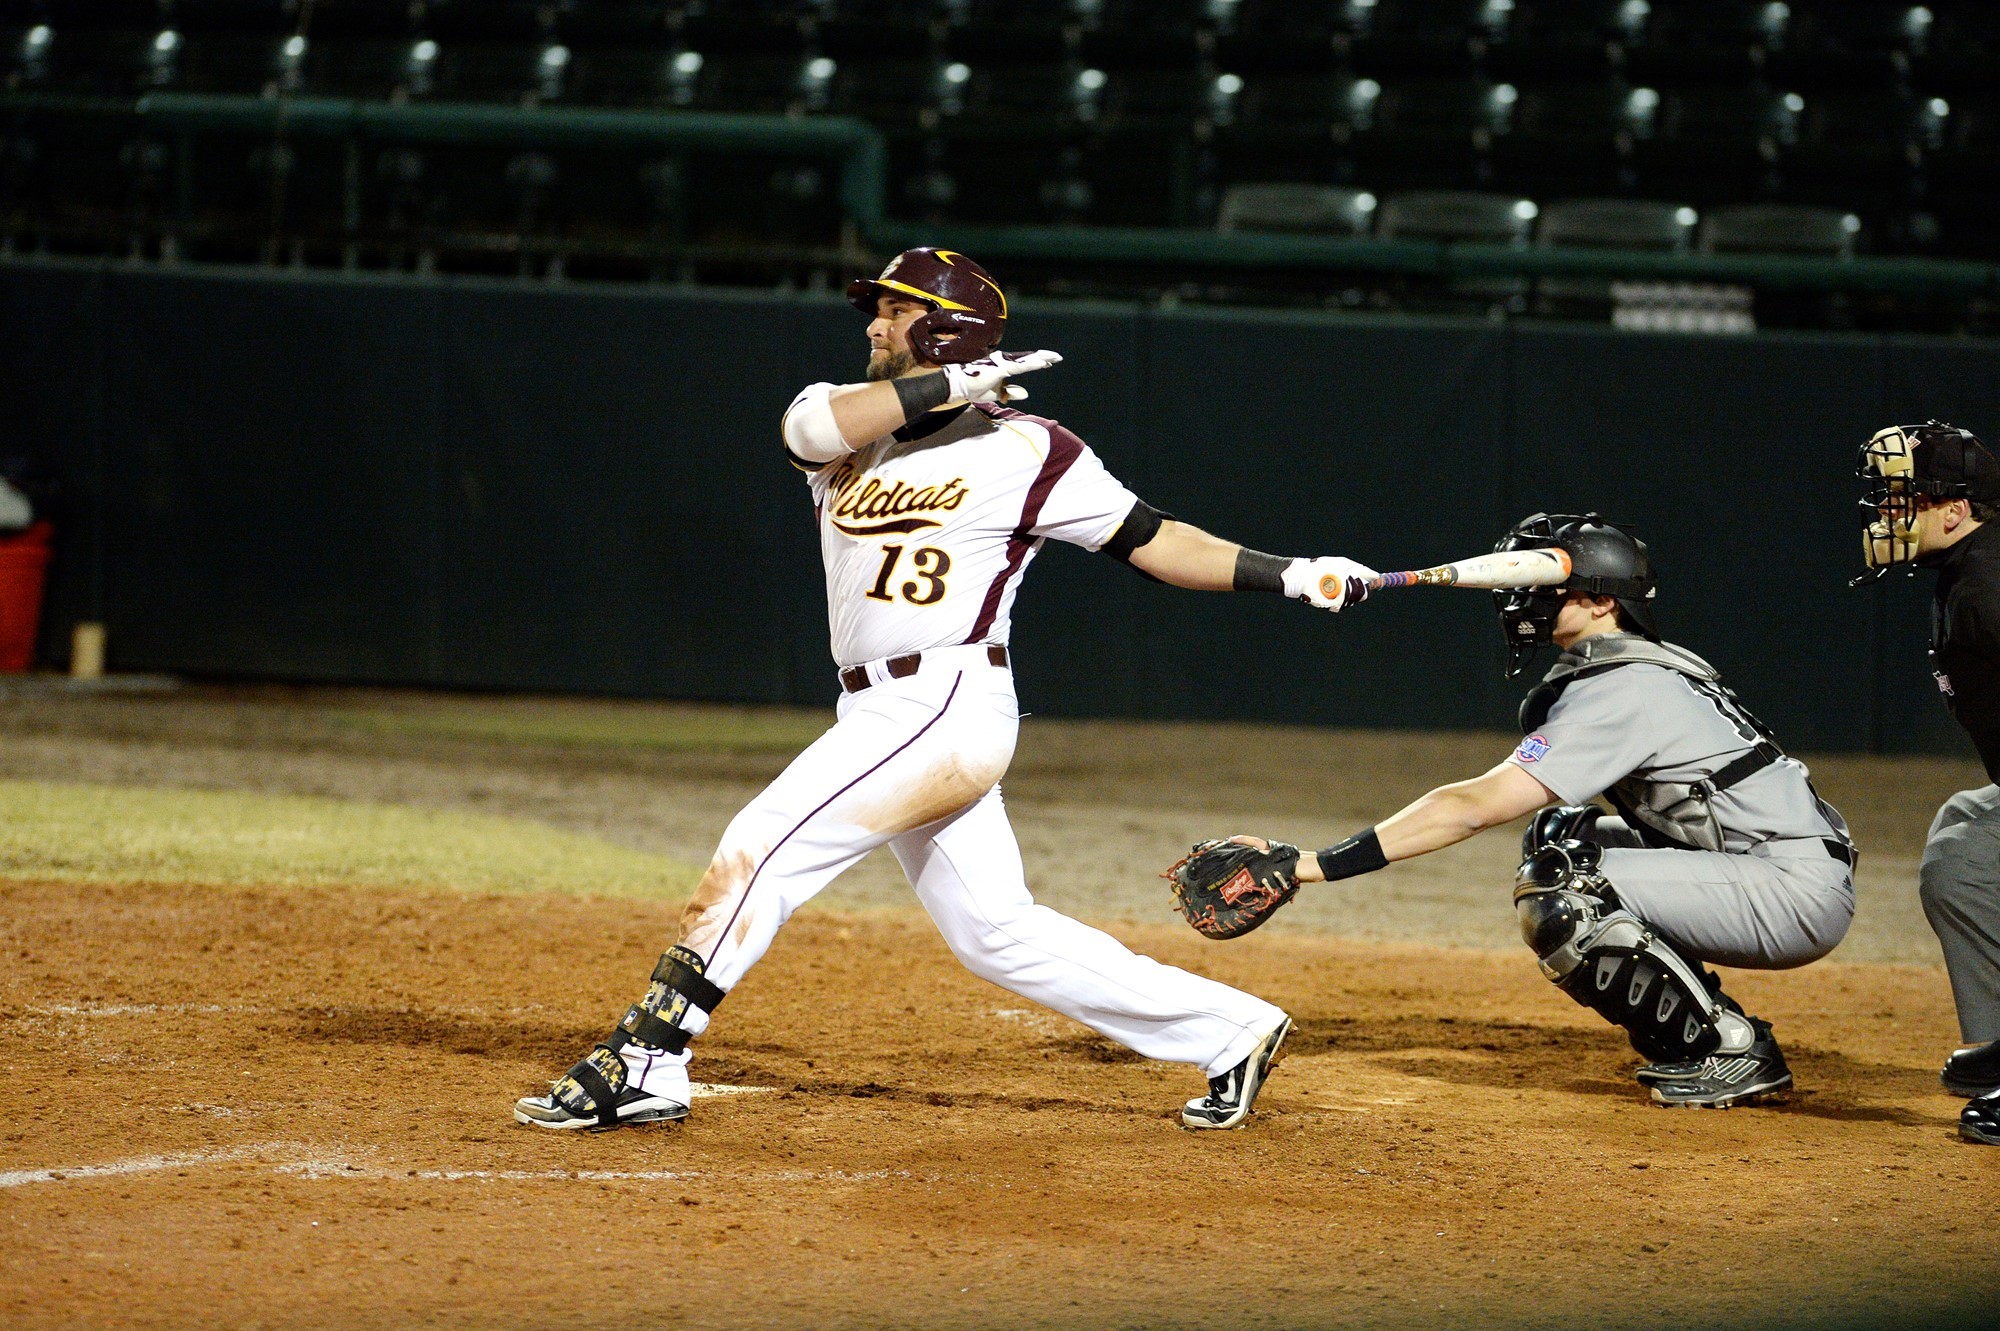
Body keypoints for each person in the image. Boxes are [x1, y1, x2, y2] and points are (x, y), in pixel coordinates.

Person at [515, 247, 1377, 1133]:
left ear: (942, 326)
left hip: (942, 703)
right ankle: (1232, 1027)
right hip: (879, 707)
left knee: (761, 846)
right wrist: (951, 383)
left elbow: (1158, 543)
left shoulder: (1033, 449)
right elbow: (803, 435)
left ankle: (650, 1057)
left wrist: (1292, 573)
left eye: (894, 311)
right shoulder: (842, 421)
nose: (874, 325)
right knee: (995, 932)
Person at [1172, 513, 1857, 1108]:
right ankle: (1696, 1027)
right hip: (1772, 862)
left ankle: (1729, 1047)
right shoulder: (1637, 668)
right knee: (1563, 835)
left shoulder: (1627, 688)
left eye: (1546, 587)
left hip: (1791, 888)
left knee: (1564, 896)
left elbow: (1471, 806)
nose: (1522, 599)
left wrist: (1311, 865)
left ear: (1598, 601)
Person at [1854, 421, 2000, 1146]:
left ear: (1954, 511)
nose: (1886, 514)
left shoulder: (1987, 583)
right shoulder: (1968, 571)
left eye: (1902, 499)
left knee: (1967, 863)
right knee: (1965, 829)